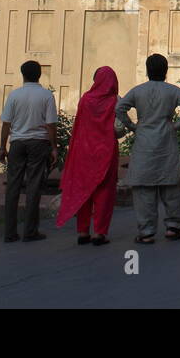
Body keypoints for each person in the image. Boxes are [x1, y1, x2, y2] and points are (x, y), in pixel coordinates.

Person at [116, 53, 180, 243]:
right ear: (166, 71)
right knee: (169, 186)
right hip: (166, 139)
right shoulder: (172, 91)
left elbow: (120, 108)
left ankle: (146, 232)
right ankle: (173, 227)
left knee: (144, 189)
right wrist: (177, 125)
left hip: (144, 140)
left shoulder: (138, 91)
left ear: (147, 70)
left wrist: (132, 126)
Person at [56, 65, 123, 246]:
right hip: (106, 152)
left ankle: (83, 231)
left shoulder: (85, 99)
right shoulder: (116, 101)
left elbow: (79, 126)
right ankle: (99, 233)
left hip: (84, 151)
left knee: (84, 190)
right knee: (104, 192)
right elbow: (120, 128)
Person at [0, 60, 58, 243]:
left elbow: (6, 124)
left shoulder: (14, 95)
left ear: (22, 74)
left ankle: (10, 232)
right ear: (39, 74)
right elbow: (50, 125)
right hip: (38, 143)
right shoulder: (46, 95)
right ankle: (30, 231)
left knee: (13, 187)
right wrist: (54, 147)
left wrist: (3, 147)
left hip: (17, 143)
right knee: (34, 186)